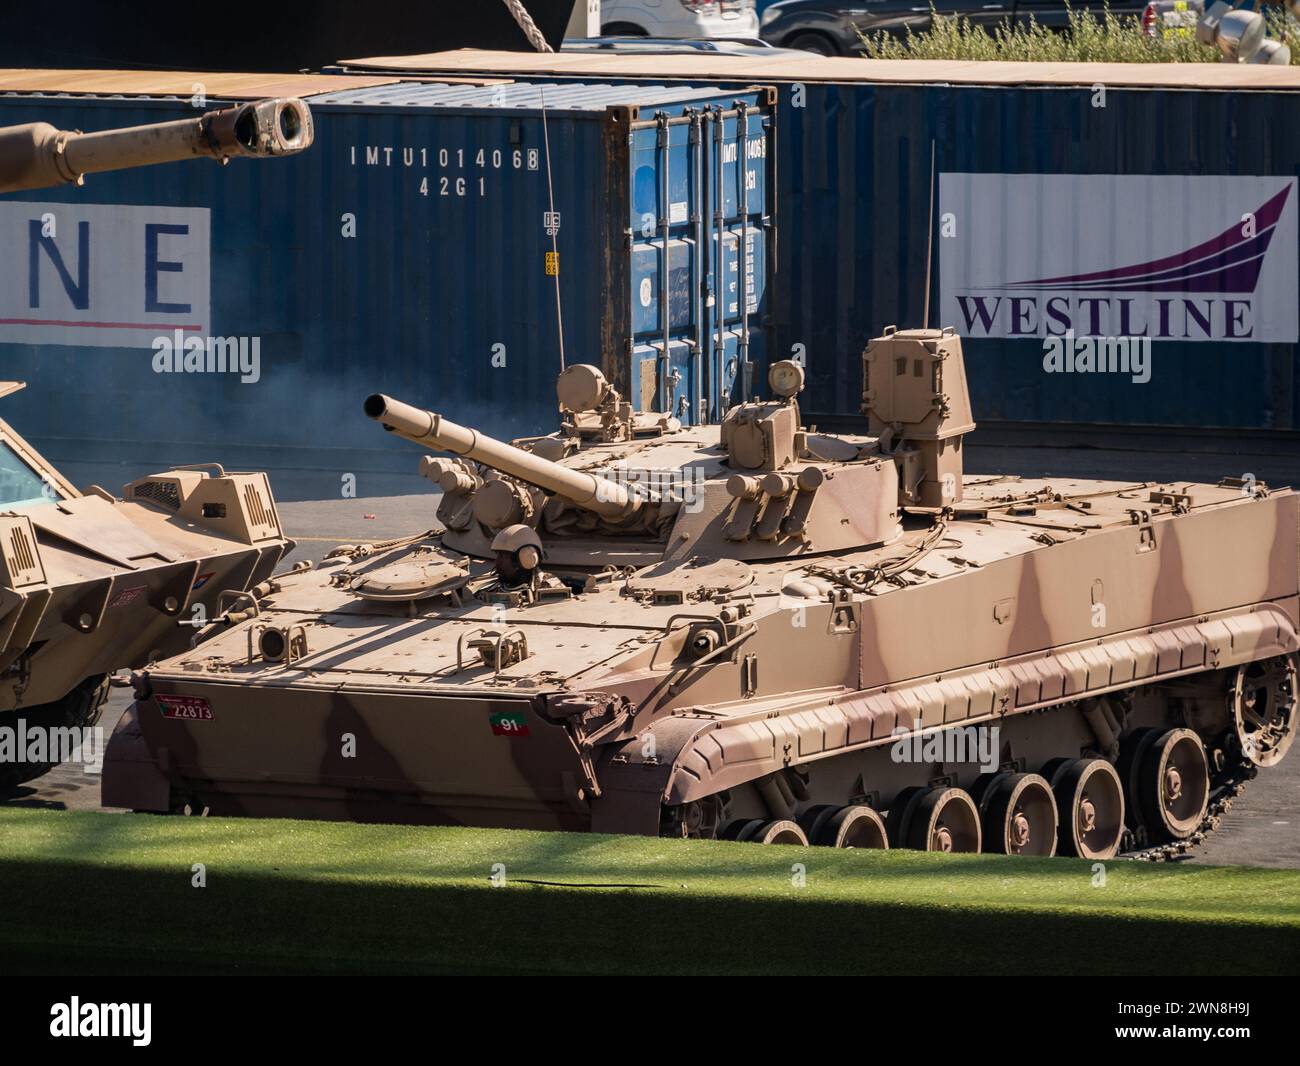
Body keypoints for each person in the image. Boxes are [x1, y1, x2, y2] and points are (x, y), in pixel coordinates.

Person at [489, 524, 543, 589]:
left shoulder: (548, 588)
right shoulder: (492, 588)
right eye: (498, 555)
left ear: (526, 559)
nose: (497, 562)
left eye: (504, 557)